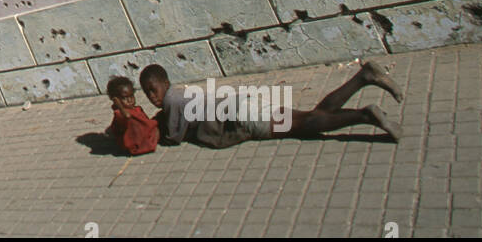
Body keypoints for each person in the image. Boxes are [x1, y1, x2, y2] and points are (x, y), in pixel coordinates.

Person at [138, 60, 402, 149]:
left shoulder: (171, 100)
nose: (152, 97)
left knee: (307, 126)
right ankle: (364, 76)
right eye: (147, 93)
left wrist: (156, 125)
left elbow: (173, 137)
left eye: (154, 90)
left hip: (242, 116)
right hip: (244, 103)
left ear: (165, 83)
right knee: (311, 116)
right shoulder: (180, 93)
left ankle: (365, 116)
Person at [104, 75, 159, 155]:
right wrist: (119, 106)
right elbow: (127, 116)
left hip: (146, 139)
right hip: (134, 146)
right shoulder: (120, 113)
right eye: (124, 98)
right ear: (116, 100)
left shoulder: (136, 109)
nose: (130, 100)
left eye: (131, 96)